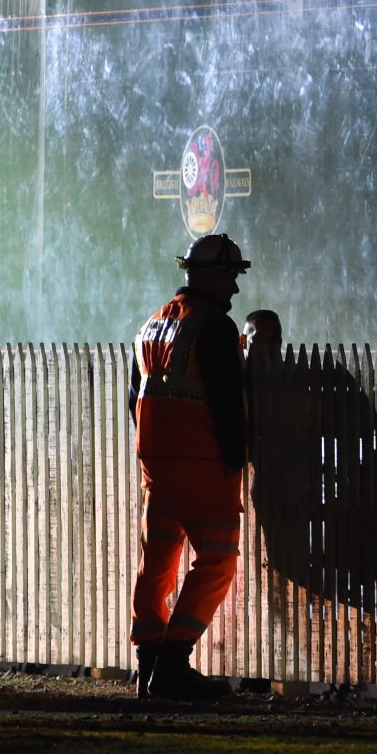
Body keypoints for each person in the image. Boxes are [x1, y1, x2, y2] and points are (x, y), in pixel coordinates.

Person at [128, 233, 250, 700]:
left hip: (157, 464)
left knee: (157, 562)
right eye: (232, 276)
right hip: (203, 461)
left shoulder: (152, 324)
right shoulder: (214, 327)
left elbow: (135, 398)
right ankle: (173, 663)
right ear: (212, 275)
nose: (235, 288)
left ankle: (148, 663)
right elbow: (225, 399)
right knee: (218, 560)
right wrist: (237, 455)